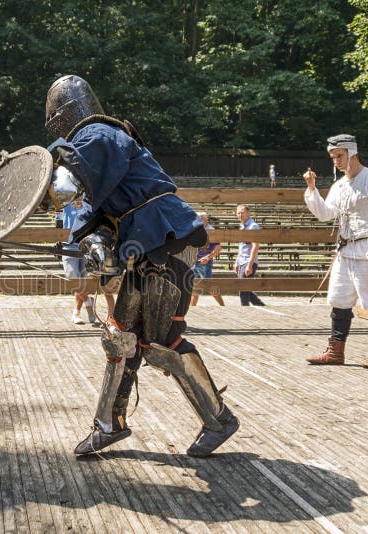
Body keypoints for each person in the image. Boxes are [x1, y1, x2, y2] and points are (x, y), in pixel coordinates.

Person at [45, 74, 239, 458]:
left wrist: (51, 182)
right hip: (147, 247)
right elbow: (98, 214)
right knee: (120, 336)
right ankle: (109, 424)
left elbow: (66, 187)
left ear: (62, 116)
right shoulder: (101, 153)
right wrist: (94, 244)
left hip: (167, 241)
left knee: (161, 343)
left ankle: (218, 418)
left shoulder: (99, 135)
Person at [303, 134, 368, 369]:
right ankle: (335, 352)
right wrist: (311, 188)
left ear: (352, 153)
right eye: (333, 157)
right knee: (339, 300)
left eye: (339, 156)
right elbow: (326, 214)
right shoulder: (340, 185)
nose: (336, 160)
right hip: (346, 249)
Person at [62, 199, 115, 324]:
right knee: (72, 278)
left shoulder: (90, 204)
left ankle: (76, 313)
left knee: (81, 279)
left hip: (86, 246)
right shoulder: (67, 202)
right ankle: (88, 301)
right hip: (68, 245)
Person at [190, 211, 224, 306]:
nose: (198, 219)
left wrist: (208, 257)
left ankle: (222, 305)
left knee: (210, 286)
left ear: (206, 219)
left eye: (201, 218)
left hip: (204, 263)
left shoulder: (211, 231)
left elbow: (218, 248)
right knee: (194, 287)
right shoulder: (196, 229)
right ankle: (192, 308)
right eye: (198, 217)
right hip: (194, 262)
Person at [234, 205, 265, 306]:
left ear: (248, 213)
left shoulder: (253, 226)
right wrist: (236, 262)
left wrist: (249, 264)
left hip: (248, 260)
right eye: (238, 213)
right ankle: (260, 305)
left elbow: (255, 246)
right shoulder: (242, 226)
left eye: (242, 212)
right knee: (244, 288)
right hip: (242, 260)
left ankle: (245, 310)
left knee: (243, 289)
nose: (240, 215)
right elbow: (241, 246)